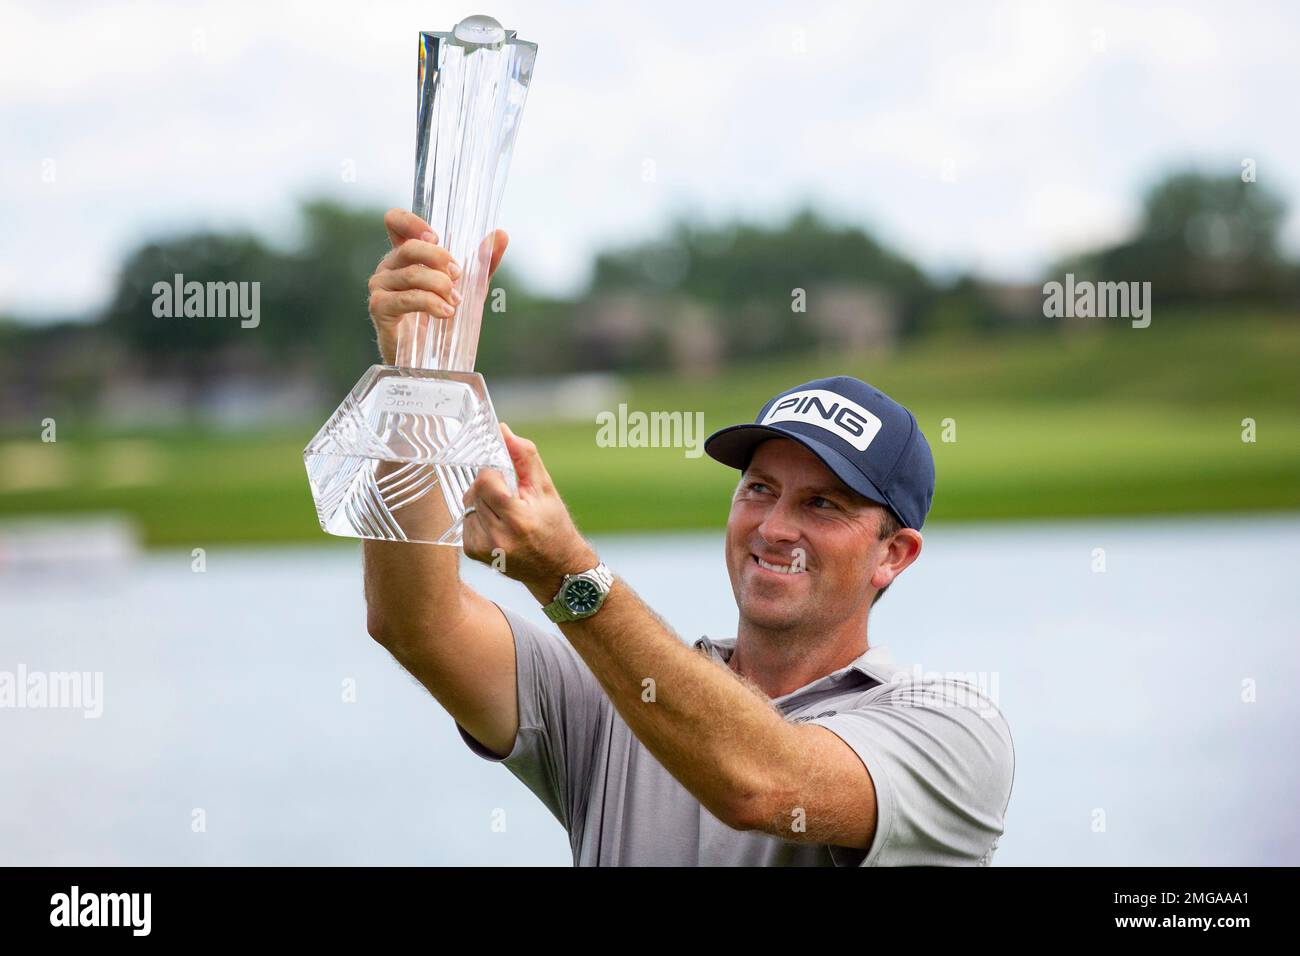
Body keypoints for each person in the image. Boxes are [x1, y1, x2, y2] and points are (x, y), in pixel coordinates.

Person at [363, 209, 1015, 866]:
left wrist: (566, 573)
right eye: (759, 488)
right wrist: (420, 383)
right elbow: (415, 622)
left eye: (822, 504)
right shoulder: (624, 689)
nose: (776, 526)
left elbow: (761, 785)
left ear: (893, 555)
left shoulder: (953, 730)